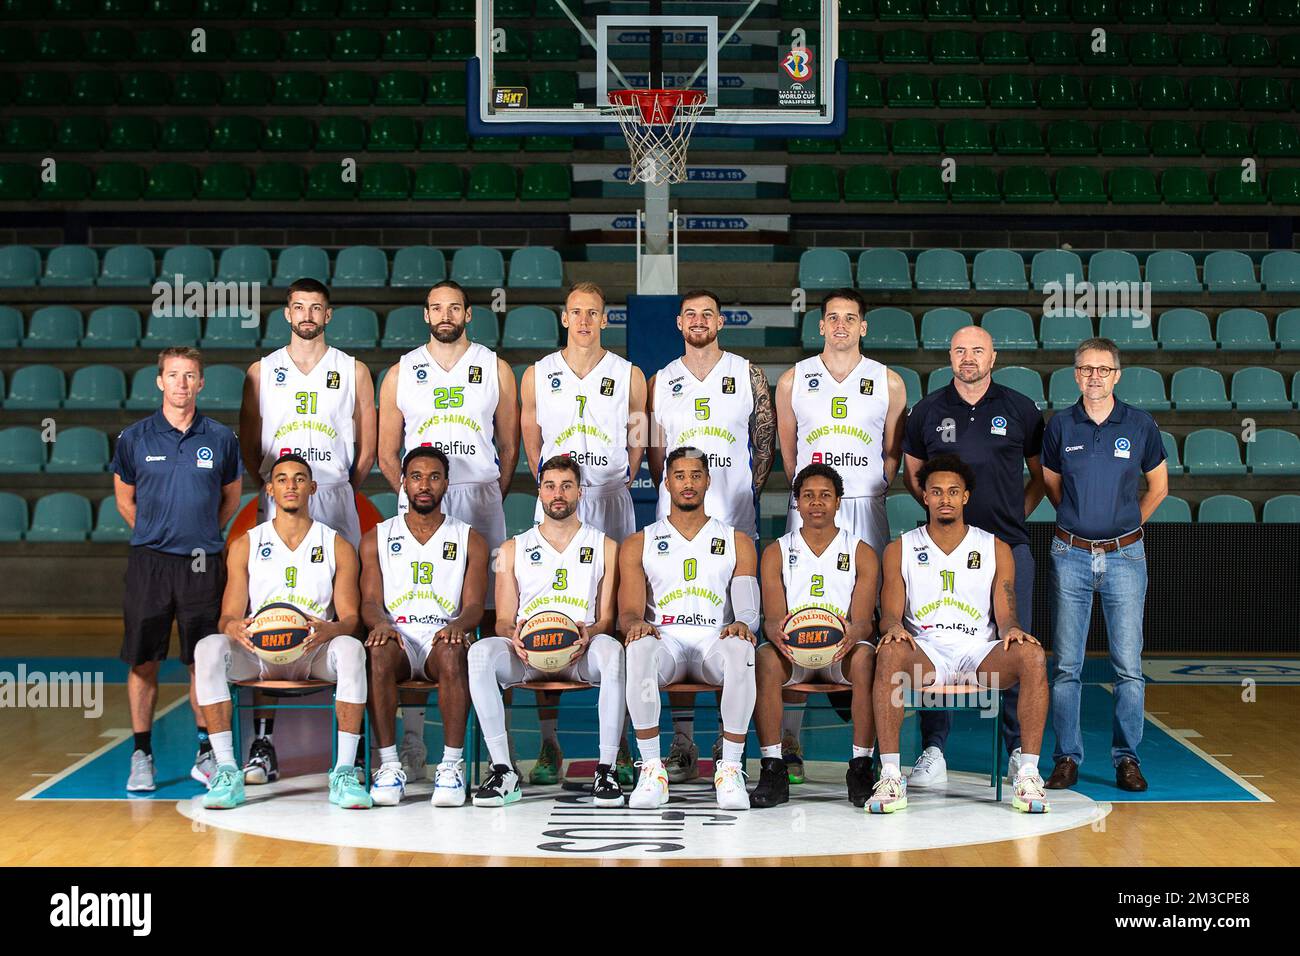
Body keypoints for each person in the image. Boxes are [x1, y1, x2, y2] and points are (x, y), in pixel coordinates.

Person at [237, 277, 377, 787]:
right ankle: (263, 742)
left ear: (329, 314)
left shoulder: (353, 370)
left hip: (335, 493)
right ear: (287, 313)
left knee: (347, 612)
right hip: (280, 496)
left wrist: (339, 485)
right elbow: (250, 443)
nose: (308, 315)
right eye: (300, 307)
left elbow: (366, 444)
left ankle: (358, 749)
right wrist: (281, 489)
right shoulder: (262, 371)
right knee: (270, 612)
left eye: (317, 308)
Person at [377, 279, 519, 782]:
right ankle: (412, 742)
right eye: (436, 307)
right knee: (412, 605)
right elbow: (385, 451)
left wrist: (489, 492)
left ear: (468, 314)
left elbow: (510, 445)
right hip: (422, 493)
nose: (445, 314)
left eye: (454, 306)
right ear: (425, 314)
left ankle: (489, 753)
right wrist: (420, 492)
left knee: (476, 616)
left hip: (479, 492)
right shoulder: (401, 372)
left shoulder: (495, 367)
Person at [901, 324, 1045, 788]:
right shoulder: (926, 410)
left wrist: (1007, 522)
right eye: (960, 349)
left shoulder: (1020, 409)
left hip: (1006, 545)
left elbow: (1042, 476)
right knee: (934, 639)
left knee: (1012, 642)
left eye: (977, 350)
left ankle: (1018, 752)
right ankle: (933, 750)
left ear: (993, 356)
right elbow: (914, 476)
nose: (969, 357)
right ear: (949, 356)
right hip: (940, 551)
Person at [867, 453, 1051, 815]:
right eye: (936, 492)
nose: (945, 499)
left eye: (953, 491)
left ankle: (1027, 774)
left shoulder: (995, 547)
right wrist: (891, 629)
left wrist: (1014, 629)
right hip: (927, 654)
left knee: (1032, 655)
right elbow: (890, 614)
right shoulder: (899, 549)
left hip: (976, 655)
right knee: (888, 651)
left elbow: (1006, 613)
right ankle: (891, 776)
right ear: (925, 497)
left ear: (966, 496)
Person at [773, 287, 906, 782]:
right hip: (812, 506)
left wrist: (873, 483)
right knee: (797, 614)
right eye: (833, 318)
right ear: (821, 326)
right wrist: (812, 490)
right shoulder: (792, 380)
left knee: (866, 621)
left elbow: (892, 452)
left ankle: (868, 750)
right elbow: (790, 453)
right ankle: (789, 742)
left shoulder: (889, 382)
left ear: (863, 327)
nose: (842, 326)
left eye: (851, 318)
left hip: (866, 507)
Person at [517, 281, 644, 787]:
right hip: (559, 500)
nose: (586, 321)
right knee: (545, 614)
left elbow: (638, 442)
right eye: (577, 313)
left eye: (595, 313)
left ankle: (623, 746)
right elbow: (531, 445)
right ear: (564, 318)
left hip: (610, 496)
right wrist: (559, 490)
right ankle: (550, 743)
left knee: (616, 620)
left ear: (605, 320)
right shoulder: (537, 375)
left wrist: (615, 479)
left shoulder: (629, 375)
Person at [191, 454, 371, 810]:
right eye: (283, 479)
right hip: (260, 653)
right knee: (209, 647)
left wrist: (330, 629)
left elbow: (351, 619)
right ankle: (227, 770)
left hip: (313, 652)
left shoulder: (338, 545)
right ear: (270, 489)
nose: (291, 485)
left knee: (351, 649)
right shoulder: (246, 544)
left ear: (312, 488)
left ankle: (346, 771)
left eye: (300, 479)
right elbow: (227, 615)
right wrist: (234, 628)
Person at [647, 289, 776, 784]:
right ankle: (682, 742)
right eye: (691, 315)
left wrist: (742, 491)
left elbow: (763, 444)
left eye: (708, 313)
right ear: (679, 323)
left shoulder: (747, 373)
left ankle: (730, 743)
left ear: (722, 320)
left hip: (733, 522)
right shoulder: (661, 381)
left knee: (732, 631)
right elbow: (657, 456)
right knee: (677, 619)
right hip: (675, 523)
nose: (699, 321)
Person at [111, 347, 243, 793]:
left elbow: (231, 498)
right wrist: (157, 535)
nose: (181, 384)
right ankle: (142, 753)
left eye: (190, 376)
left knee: (201, 663)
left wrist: (200, 533)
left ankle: (206, 751)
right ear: (159, 381)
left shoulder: (222, 439)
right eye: (173, 375)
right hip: (149, 564)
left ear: (201, 383)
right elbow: (125, 501)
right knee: (143, 659)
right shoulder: (134, 438)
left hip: (203, 564)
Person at [1040, 338, 1168, 794]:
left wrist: (1126, 526)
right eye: (1085, 369)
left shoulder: (1140, 424)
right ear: (1075, 374)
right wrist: (1082, 523)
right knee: (1067, 665)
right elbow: (1052, 486)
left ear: (1117, 374)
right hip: (1070, 554)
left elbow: (1158, 486)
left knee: (1128, 666)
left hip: (1125, 556)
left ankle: (1127, 759)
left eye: (1103, 369)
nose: (1094, 376)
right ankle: (1066, 758)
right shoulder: (1060, 426)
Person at [467, 456, 625, 807]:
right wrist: (515, 636)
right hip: (529, 655)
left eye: (567, 486)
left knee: (613, 651)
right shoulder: (511, 549)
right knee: (479, 654)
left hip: (580, 651)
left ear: (580, 492)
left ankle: (606, 769)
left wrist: (590, 633)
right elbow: (503, 620)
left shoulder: (605, 546)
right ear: (539, 491)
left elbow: (606, 618)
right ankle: (503, 770)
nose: (558, 494)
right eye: (550, 486)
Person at [617, 446, 760, 811]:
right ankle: (652, 769)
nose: (688, 483)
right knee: (638, 648)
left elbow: (747, 609)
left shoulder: (736, 541)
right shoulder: (640, 542)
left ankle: (729, 769)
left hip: (715, 638)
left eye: (696, 475)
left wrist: (743, 622)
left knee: (743, 649)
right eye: (679, 476)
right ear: (666, 483)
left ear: (708, 481)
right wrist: (635, 624)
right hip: (667, 641)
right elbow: (630, 611)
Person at [361, 447, 486, 808]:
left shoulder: (468, 538)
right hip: (398, 635)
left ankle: (450, 766)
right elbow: (369, 601)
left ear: (446, 483)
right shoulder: (378, 537)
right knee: (378, 652)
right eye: (416, 476)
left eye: (434, 477)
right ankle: (388, 766)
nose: (424, 485)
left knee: (452, 652)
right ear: (403, 483)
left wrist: (459, 625)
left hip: (439, 635)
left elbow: (475, 605)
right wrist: (381, 624)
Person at [749, 464, 879, 809]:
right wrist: (779, 635)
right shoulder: (777, 551)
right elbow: (773, 620)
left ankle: (861, 766)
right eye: (808, 496)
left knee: (867, 657)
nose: (816, 503)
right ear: (797, 503)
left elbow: (864, 622)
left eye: (825, 496)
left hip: (842, 653)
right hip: (793, 654)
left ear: (838, 502)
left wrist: (850, 635)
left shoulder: (861, 551)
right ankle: (773, 767)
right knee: (764, 657)